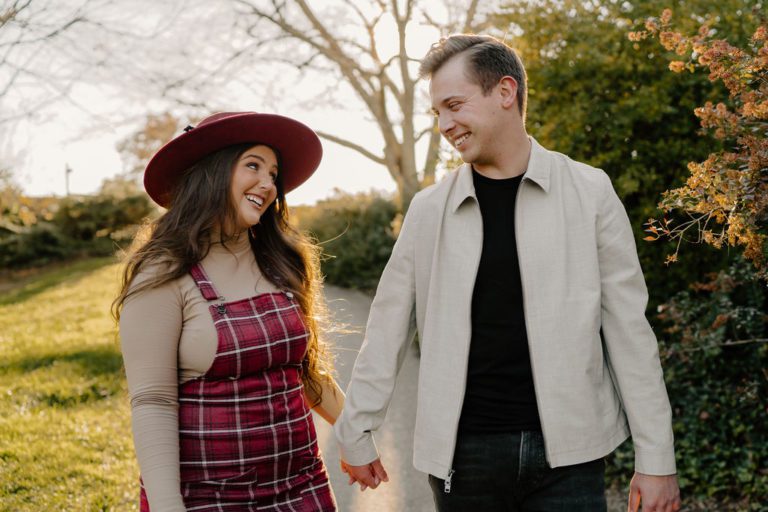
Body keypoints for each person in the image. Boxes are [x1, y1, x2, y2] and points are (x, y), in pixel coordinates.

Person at [335, 35, 682, 512]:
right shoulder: (429, 209)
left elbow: (628, 330)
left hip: (572, 458)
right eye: (436, 112)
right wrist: (355, 429)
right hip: (463, 456)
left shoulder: (589, 190)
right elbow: (388, 326)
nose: (444, 124)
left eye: (454, 105)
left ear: (505, 92)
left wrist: (657, 457)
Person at [114, 112, 343, 512]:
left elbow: (307, 373)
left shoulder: (281, 262)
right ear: (211, 173)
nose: (268, 184)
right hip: (207, 498)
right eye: (252, 165)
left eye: (274, 173)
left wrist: (359, 436)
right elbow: (153, 401)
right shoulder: (163, 273)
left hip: (302, 488)